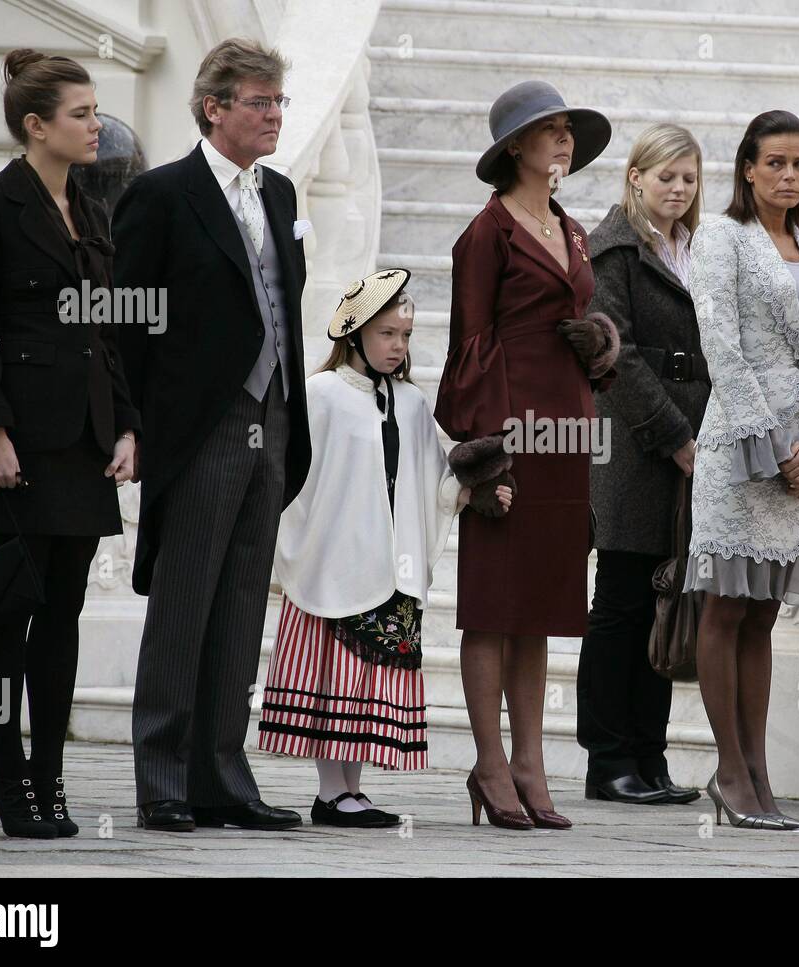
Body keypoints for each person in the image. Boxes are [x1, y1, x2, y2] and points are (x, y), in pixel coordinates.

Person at [113, 39, 312, 833]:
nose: (272, 116)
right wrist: (131, 423)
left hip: (274, 414)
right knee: (184, 599)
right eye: (259, 102)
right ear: (214, 107)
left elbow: (283, 304)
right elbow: (127, 320)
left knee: (239, 603)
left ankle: (222, 776)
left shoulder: (284, 194)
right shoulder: (162, 194)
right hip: (201, 424)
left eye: (277, 103)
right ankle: (162, 777)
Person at [0, 49, 139, 838]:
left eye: (96, 111)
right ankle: (5, 767)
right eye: (82, 113)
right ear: (36, 125)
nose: (97, 126)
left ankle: (48, 776)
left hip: (85, 437)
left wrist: (128, 423)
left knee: (62, 609)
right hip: (21, 438)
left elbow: (111, 328)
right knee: (11, 613)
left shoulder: (92, 210)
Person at [257, 269, 512, 827]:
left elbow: (429, 483)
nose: (398, 346)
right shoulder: (321, 394)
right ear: (355, 335)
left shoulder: (414, 404)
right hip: (335, 555)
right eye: (386, 334)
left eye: (405, 335)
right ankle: (330, 790)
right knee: (334, 673)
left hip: (391, 559)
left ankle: (350, 789)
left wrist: (469, 485)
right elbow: (293, 473)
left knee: (366, 676)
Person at [434, 80, 618, 830]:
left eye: (569, 128)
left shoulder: (572, 228)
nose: (564, 139)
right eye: (550, 129)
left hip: (567, 432)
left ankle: (531, 762)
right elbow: (469, 346)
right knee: (492, 607)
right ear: (516, 146)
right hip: (507, 432)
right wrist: (485, 460)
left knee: (539, 606)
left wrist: (600, 343)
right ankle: (488, 762)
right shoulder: (487, 232)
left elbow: (581, 319)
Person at [684, 110, 799, 830]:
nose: (789, 176)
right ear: (747, 169)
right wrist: (773, 440)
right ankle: (729, 770)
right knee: (727, 608)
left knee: (761, 618)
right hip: (739, 451)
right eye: (775, 163)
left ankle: (757, 771)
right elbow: (719, 340)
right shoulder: (722, 236)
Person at [578, 123, 708, 806]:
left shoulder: (697, 247)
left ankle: (650, 754)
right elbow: (615, 353)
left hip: (693, 442)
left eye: (688, 178)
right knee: (623, 598)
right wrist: (673, 434)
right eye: (666, 177)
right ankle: (609, 759)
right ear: (635, 176)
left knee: (667, 593)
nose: (678, 190)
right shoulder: (614, 247)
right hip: (634, 445)